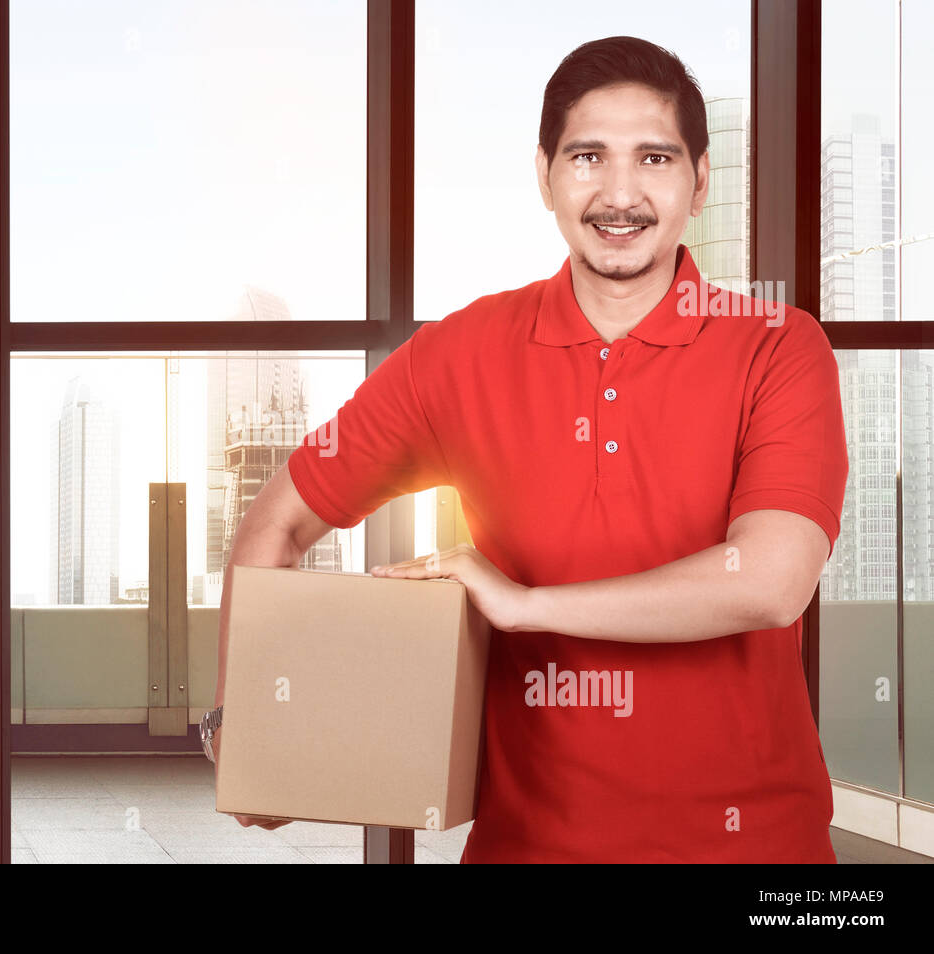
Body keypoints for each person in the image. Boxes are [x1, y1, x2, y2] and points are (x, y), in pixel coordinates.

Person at [211, 34, 848, 862]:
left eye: (654, 158)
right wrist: (249, 723)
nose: (620, 194)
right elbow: (278, 519)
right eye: (588, 156)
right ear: (544, 173)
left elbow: (769, 581)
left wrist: (524, 604)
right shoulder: (459, 354)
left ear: (699, 182)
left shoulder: (778, 347)